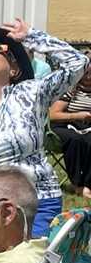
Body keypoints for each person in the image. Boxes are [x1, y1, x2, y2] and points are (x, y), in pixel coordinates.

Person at [0, 19, 88, 238]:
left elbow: (79, 63)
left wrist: (32, 36)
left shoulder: (32, 93)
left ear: (14, 68)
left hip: (38, 199)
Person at [49, 53, 91, 200]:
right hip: (64, 125)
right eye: (86, 73)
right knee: (76, 139)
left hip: (87, 127)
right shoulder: (69, 90)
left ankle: (88, 184)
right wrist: (78, 116)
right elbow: (53, 115)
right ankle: (77, 184)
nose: (88, 76)